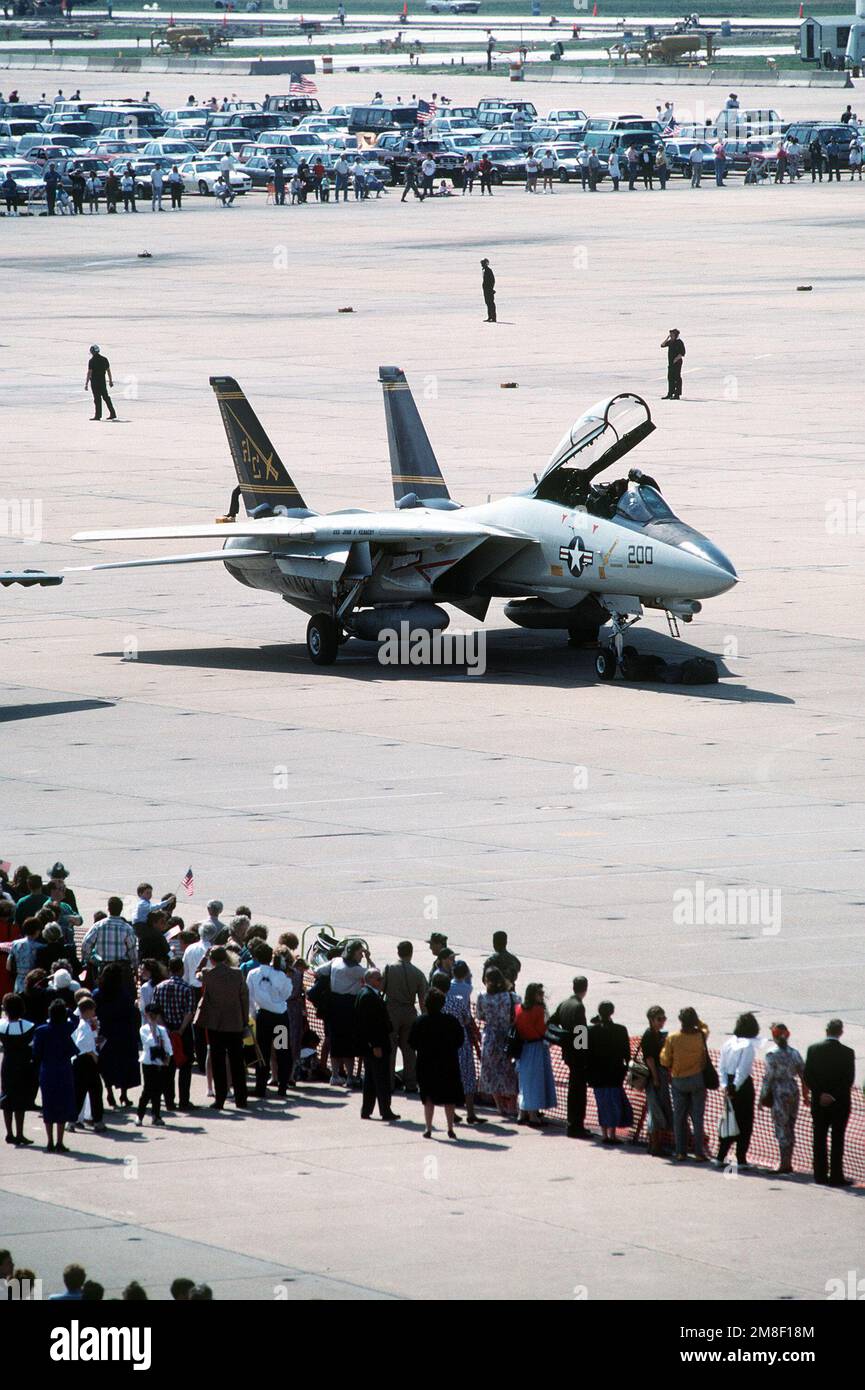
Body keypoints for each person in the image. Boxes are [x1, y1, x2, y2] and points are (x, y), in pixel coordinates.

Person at [195, 946, 249, 1111]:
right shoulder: (237, 973)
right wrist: (244, 1020)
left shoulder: (207, 974)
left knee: (218, 1063)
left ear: (212, 959)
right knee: (237, 1063)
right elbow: (244, 999)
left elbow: (196, 973)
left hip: (215, 1024)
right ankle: (241, 1099)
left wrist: (204, 957)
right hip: (234, 1023)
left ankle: (220, 1099)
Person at [804, 1019, 855, 1186]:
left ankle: (820, 1175)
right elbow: (848, 1079)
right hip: (840, 1103)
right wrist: (833, 1095)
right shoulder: (848, 1053)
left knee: (819, 1138)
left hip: (819, 1102)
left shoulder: (813, 1050)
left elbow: (808, 1077)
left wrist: (820, 1093)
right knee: (837, 1139)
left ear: (826, 1030)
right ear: (840, 1032)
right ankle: (836, 1176)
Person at [409, 987, 464, 1139]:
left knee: (428, 1098)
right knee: (449, 1097)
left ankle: (428, 1128)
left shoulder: (420, 1021)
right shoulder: (451, 1021)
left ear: (426, 1003)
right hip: (448, 1063)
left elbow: (412, 1042)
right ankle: (450, 1127)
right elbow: (460, 1040)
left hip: (426, 1064)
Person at [660, 1006, 709, 1162]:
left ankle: (681, 1151)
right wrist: (697, 1021)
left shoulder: (673, 1038)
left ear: (680, 1021)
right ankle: (699, 1152)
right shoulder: (700, 1036)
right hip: (697, 1079)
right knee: (697, 1117)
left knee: (679, 1116)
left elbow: (665, 1059)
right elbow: (706, 1027)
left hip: (678, 1080)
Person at [319, 939, 368, 1086]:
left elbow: (318, 971)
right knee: (349, 1042)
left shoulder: (335, 962)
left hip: (334, 1005)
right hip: (349, 1006)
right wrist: (370, 959)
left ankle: (334, 1075)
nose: (362, 956)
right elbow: (375, 975)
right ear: (353, 953)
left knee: (335, 1040)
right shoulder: (357, 970)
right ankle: (350, 1076)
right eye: (360, 953)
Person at [716, 1012, 761, 1169]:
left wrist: (725, 1086)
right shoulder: (748, 1046)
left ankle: (721, 1155)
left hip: (727, 1083)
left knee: (728, 1119)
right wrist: (735, 1087)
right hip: (742, 1087)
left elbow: (721, 1067)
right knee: (745, 1122)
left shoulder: (728, 1043)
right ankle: (741, 1158)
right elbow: (743, 1070)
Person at [440, 964, 485, 1123]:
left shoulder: (436, 1004)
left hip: (444, 1042)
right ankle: (470, 1112)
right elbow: (467, 1018)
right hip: (461, 1039)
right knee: (468, 1075)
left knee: (448, 1077)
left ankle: (451, 1112)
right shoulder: (463, 994)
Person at [761, 1023, 807, 1174]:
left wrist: (762, 1097)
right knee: (791, 1126)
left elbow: (768, 1077)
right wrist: (806, 1095)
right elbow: (803, 1075)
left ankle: (784, 1163)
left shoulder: (771, 1054)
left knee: (781, 1127)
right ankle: (788, 1161)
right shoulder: (795, 1053)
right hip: (793, 1090)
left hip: (779, 1091)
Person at [247, 942, 292, 1097]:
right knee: (283, 1051)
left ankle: (260, 1087)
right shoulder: (279, 974)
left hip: (263, 1017)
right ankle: (283, 1087)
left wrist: (252, 1015)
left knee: (263, 1053)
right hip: (280, 1016)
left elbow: (250, 997)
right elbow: (287, 993)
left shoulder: (253, 974)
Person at [32, 999, 78, 1152]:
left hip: (47, 1070)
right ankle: (60, 1141)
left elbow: (36, 1053)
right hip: (64, 1069)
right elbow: (76, 1019)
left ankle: (49, 1141)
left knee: (49, 1105)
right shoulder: (68, 1027)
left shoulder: (41, 1030)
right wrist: (69, 1011)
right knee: (63, 1105)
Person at [93, 962, 140, 1108]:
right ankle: (124, 1095)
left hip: (105, 1033)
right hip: (123, 1032)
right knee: (124, 1064)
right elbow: (131, 1014)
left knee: (106, 1064)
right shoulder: (124, 994)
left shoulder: (98, 993)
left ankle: (109, 1093)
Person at [355, 969, 400, 1121]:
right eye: (378, 979)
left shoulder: (366, 993)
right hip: (376, 1045)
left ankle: (366, 1110)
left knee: (370, 1079)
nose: (381, 982)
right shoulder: (368, 996)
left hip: (371, 1045)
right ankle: (385, 1110)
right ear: (371, 980)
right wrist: (375, 1045)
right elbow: (370, 1025)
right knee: (381, 1079)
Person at [152, 957, 196, 1109]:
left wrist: (165, 1027)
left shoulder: (159, 987)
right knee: (185, 1066)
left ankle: (169, 1101)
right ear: (182, 969)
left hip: (165, 1030)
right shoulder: (187, 988)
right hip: (182, 1031)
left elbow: (155, 1011)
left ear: (169, 969)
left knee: (166, 1067)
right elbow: (189, 1012)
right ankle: (184, 1101)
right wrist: (181, 1030)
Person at [382, 941, 426, 1092]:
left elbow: (381, 988)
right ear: (411, 952)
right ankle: (411, 1083)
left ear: (397, 952)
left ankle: (389, 1083)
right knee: (409, 1050)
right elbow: (422, 1000)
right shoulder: (418, 973)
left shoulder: (389, 969)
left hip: (391, 1011)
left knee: (390, 1049)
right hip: (409, 1011)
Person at [549, 975, 589, 1138]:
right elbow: (581, 1032)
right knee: (578, 1092)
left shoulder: (564, 1004)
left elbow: (551, 1023)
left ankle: (573, 1123)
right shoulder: (578, 1007)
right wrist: (584, 1055)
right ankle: (576, 1125)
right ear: (585, 988)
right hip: (577, 1055)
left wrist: (562, 1037)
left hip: (568, 1053)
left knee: (573, 1089)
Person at [587, 1000, 632, 1143]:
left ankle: (604, 1133)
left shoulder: (589, 1030)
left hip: (597, 1074)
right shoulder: (621, 1030)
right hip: (615, 1073)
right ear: (612, 1012)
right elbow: (627, 1053)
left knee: (602, 1104)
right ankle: (612, 1134)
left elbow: (581, 1049)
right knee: (614, 1104)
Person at [476, 966, 519, 1117]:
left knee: (491, 1072)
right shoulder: (512, 997)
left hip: (490, 1038)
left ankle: (500, 1106)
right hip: (508, 1038)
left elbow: (480, 1016)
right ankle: (513, 1106)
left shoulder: (482, 996)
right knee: (510, 1072)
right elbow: (517, 1015)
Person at [514, 983, 557, 1127]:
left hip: (523, 1048)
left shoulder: (518, 1008)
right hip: (536, 1048)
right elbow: (542, 1030)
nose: (542, 995)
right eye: (539, 993)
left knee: (524, 1082)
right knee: (535, 1082)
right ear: (533, 995)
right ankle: (533, 1116)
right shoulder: (538, 1010)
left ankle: (522, 1113)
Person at [0, 993, 37, 1145]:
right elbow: (32, 1046)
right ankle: (20, 1133)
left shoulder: (2, 1026)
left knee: (7, 1097)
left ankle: (9, 1133)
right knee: (20, 1100)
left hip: (7, 1064)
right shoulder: (29, 1026)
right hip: (23, 1065)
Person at [640, 1005, 672, 1157]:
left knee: (658, 1109)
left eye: (663, 1018)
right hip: (654, 1076)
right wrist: (656, 1078)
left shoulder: (657, 1034)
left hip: (659, 1074)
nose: (662, 1022)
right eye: (659, 1019)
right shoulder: (649, 1036)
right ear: (651, 1020)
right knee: (655, 1110)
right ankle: (655, 1145)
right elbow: (650, 1059)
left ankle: (655, 1144)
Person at [71, 997, 104, 1132]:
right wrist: (93, 1054)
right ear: (88, 1010)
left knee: (81, 1092)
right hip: (86, 1061)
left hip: (82, 1062)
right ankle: (97, 1121)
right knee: (94, 1090)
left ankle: (72, 1120)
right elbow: (81, 1044)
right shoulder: (84, 1025)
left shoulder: (84, 1023)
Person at [136, 1005, 172, 1126]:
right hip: (148, 1062)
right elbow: (149, 1043)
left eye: (155, 1015)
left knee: (158, 1090)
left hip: (159, 1062)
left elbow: (167, 1044)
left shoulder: (162, 1029)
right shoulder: (143, 1029)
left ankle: (156, 1115)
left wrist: (168, 1056)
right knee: (147, 1090)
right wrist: (153, 1028)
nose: (153, 1018)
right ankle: (139, 1115)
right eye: (151, 1015)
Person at [85, 346, 117, 424]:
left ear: (92, 352)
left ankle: (98, 415)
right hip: (102, 381)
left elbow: (89, 372)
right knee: (106, 397)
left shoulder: (92, 361)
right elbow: (108, 370)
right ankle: (113, 413)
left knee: (97, 399)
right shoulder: (104, 359)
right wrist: (110, 381)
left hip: (95, 382)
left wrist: (86, 383)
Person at [661, 328, 685, 400]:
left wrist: (676, 359)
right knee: (670, 377)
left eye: (672, 335)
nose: (671, 336)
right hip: (671, 363)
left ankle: (677, 394)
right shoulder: (671, 341)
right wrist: (667, 338)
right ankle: (670, 393)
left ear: (676, 335)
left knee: (677, 378)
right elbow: (662, 345)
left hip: (677, 363)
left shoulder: (679, 342)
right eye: (670, 335)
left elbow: (682, 353)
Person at [480, 257, 496, 323]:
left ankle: (493, 318)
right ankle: (490, 317)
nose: (482, 264)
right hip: (486, 290)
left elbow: (492, 280)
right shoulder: (484, 270)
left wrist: (491, 289)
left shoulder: (488, 270)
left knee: (491, 304)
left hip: (489, 290)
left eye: (483, 263)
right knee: (488, 303)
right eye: (481, 263)